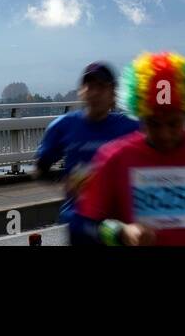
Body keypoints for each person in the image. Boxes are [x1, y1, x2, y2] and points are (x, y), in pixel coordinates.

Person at [76, 52, 185, 246]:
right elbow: (91, 221)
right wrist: (122, 233)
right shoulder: (114, 157)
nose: (165, 134)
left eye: (174, 123)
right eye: (153, 124)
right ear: (140, 117)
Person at [35, 62, 139, 245]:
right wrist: (66, 180)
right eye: (89, 86)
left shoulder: (130, 127)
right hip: (79, 222)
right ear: (82, 91)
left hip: (118, 225)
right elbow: (40, 168)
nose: (95, 93)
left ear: (113, 92)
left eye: (101, 87)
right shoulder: (64, 126)